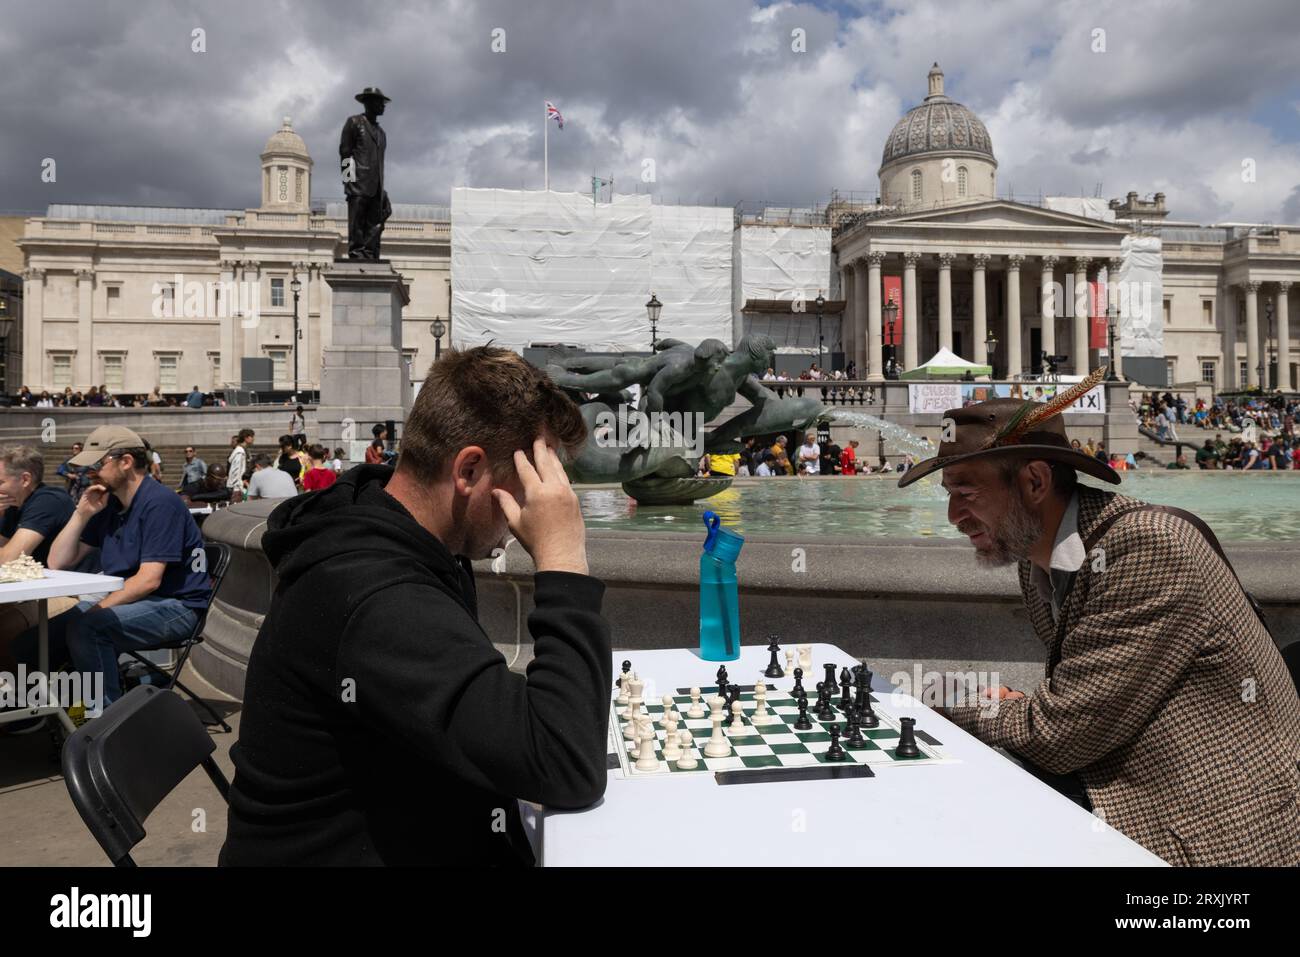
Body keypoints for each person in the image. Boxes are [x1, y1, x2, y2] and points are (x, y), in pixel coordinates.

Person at [220, 345, 612, 866]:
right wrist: (563, 559)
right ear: (469, 470)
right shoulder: (377, 595)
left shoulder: (392, 529)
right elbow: (565, 764)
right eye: (530, 485)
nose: (530, 513)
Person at [898, 393, 1300, 866]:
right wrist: (1031, 711)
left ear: (1034, 481)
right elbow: (1082, 701)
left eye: (966, 494)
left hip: (1215, 834)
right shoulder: (1037, 558)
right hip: (1141, 782)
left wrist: (948, 705)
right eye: (950, 496)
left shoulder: (1146, 547)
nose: (954, 517)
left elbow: (1059, 735)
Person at [36, 427, 210, 712]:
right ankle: (57, 710)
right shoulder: (109, 505)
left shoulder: (159, 503)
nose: (89, 472)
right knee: (46, 633)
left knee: (87, 627)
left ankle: (105, 722)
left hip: (179, 606)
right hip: (140, 600)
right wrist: (81, 514)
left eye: (97, 464)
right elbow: (58, 561)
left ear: (126, 461)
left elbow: (148, 580)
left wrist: (98, 608)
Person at [0, 447, 78, 670]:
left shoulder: (47, 501)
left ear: (25, 479)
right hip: (34, 591)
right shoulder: (13, 506)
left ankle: (23, 694)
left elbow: (7, 560)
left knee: (3, 628)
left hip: (70, 593)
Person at [228, 429, 255, 503]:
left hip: (240, 486)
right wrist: (239, 486)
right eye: (252, 437)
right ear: (246, 438)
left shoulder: (244, 450)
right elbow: (236, 471)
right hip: (237, 488)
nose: (253, 439)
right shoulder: (240, 452)